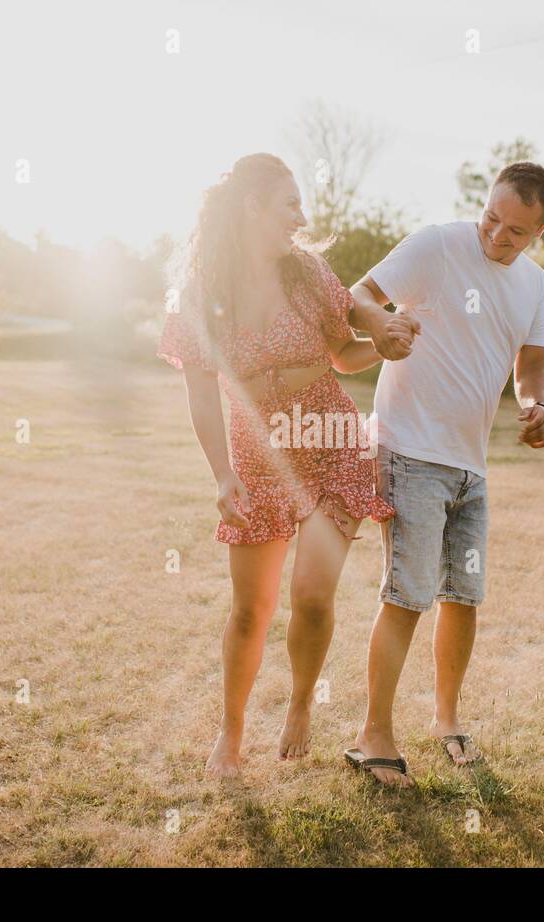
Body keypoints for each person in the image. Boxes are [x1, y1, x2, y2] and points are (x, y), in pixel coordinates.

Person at [157, 152, 402, 778]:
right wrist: (221, 473)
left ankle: (299, 705)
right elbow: (201, 393)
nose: (301, 214)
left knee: (312, 596)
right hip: (260, 457)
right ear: (252, 208)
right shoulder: (202, 294)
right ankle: (229, 735)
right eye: (289, 202)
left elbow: (342, 352)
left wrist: (382, 343)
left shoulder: (309, 275)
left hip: (332, 444)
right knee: (251, 610)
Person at [343, 162, 544, 786]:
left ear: (543, 228)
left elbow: (534, 363)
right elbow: (355, 297)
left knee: (463, 600)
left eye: (516, 231)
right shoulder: (437, 244)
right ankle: (372, 736)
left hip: (471, 466)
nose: (497, 236)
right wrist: (382, 326)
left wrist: (540, 403)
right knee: (407, 595)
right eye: (492, 218)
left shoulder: (535, 284)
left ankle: (447, 719)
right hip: (408, 449)